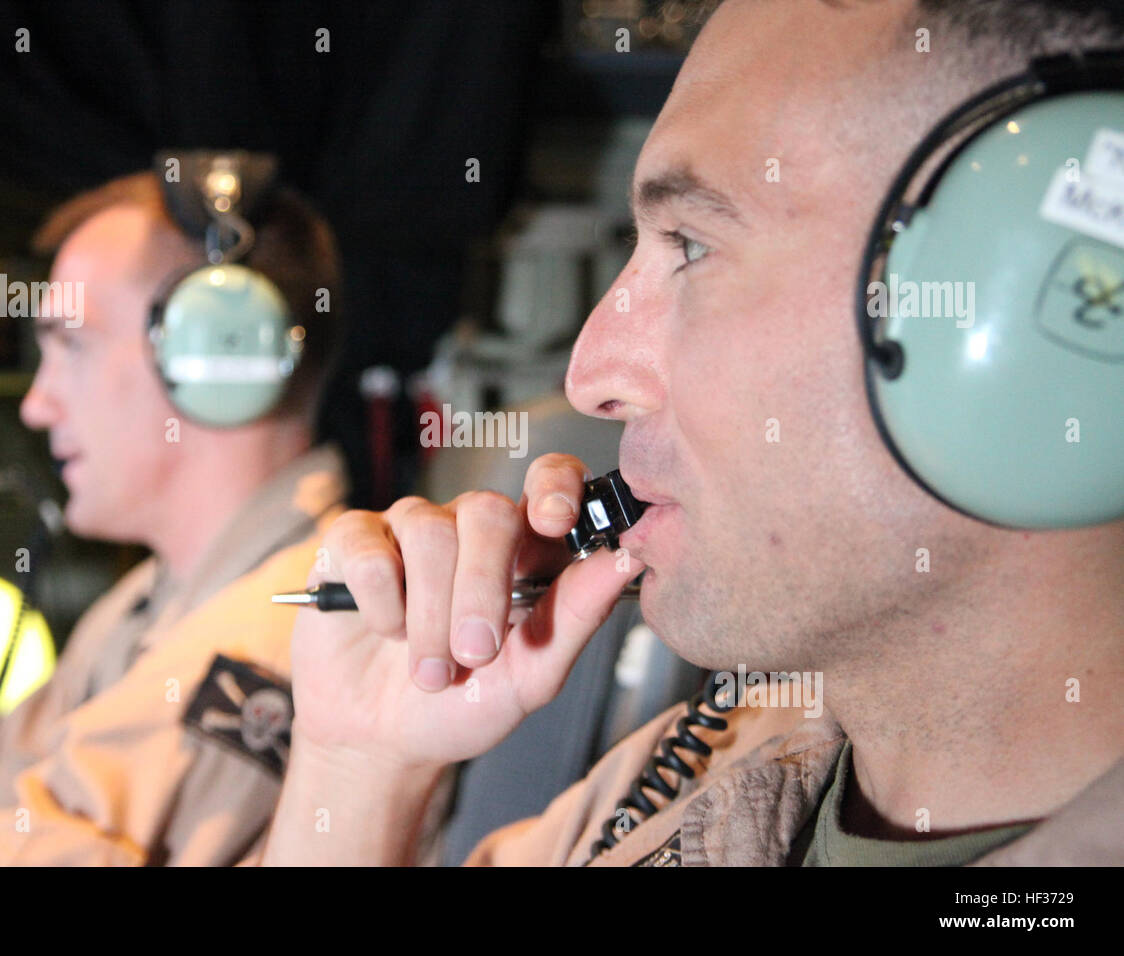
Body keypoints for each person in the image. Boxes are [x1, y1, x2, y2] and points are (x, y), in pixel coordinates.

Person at [259, 0, 1124, 866]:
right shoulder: (691, 784)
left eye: (693, 245)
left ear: (1026, 324)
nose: (591, 375)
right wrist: (363, 771)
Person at [0, 157, 348, 865]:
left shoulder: (272, 643)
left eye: (71, 344)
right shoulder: (150, 602)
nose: (35, 405)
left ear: (219, 352)